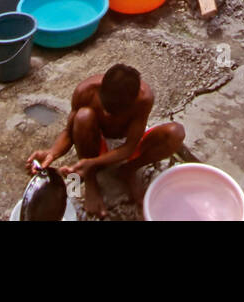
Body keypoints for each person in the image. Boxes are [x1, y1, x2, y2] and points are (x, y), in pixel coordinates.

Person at [26, 63, 184, 218]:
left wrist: (92, 163)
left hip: (128, 142)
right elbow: (69, 132)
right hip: (97, 142)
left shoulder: (144, 99)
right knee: (83, 117)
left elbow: (128, 148)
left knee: (175, 133)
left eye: (115, 113)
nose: (107, 115)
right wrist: (52, 153)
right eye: (105, 109)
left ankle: (128, 170)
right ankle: (90, 180)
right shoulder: (85, 91)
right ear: (100, 89)